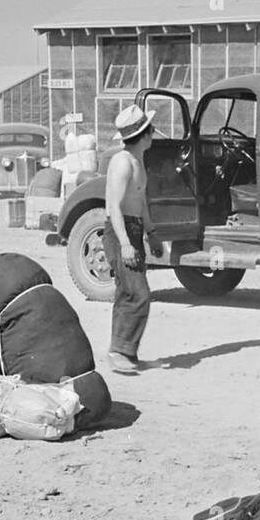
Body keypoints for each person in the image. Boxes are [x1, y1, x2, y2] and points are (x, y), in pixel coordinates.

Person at [103, 104, 164, 375]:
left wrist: (152, 234)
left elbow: (141, 202)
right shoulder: (122, 162)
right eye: (151, 131)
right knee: (139, 294)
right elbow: (114, 206)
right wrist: (125, 243)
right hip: (120, 232)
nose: (153, 135)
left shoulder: (138, 163)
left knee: (126, 293)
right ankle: (119, 352)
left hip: (134, 229)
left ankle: (127, 353)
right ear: (145, 134)